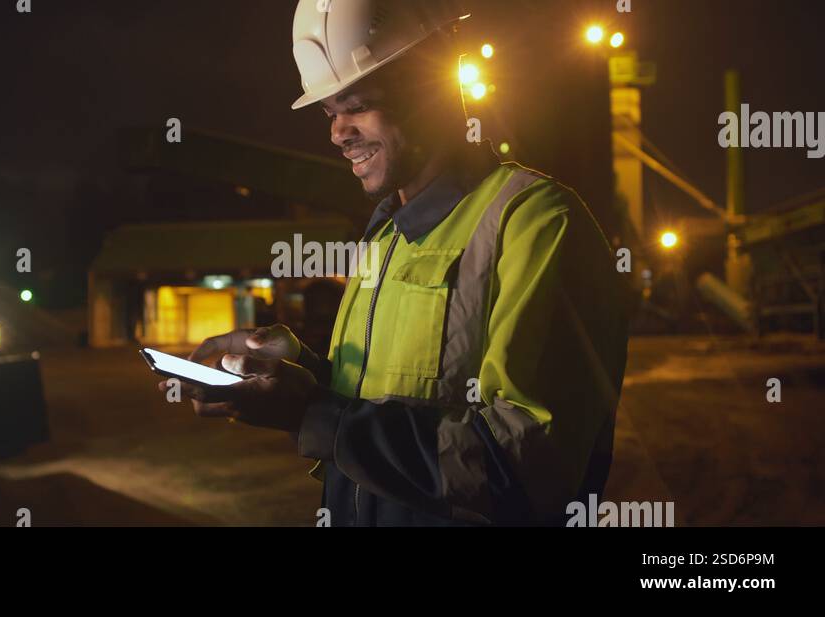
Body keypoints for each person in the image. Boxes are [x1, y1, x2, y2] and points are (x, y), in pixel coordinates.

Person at [160, 0, 628, 526]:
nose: (338, 133)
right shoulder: (386, 236)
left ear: (431, 86)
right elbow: (376, 408)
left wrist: (310, 411)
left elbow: (526, 469)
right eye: (330, 112)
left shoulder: (536, 225)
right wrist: (297, 373)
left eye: (356, 104)